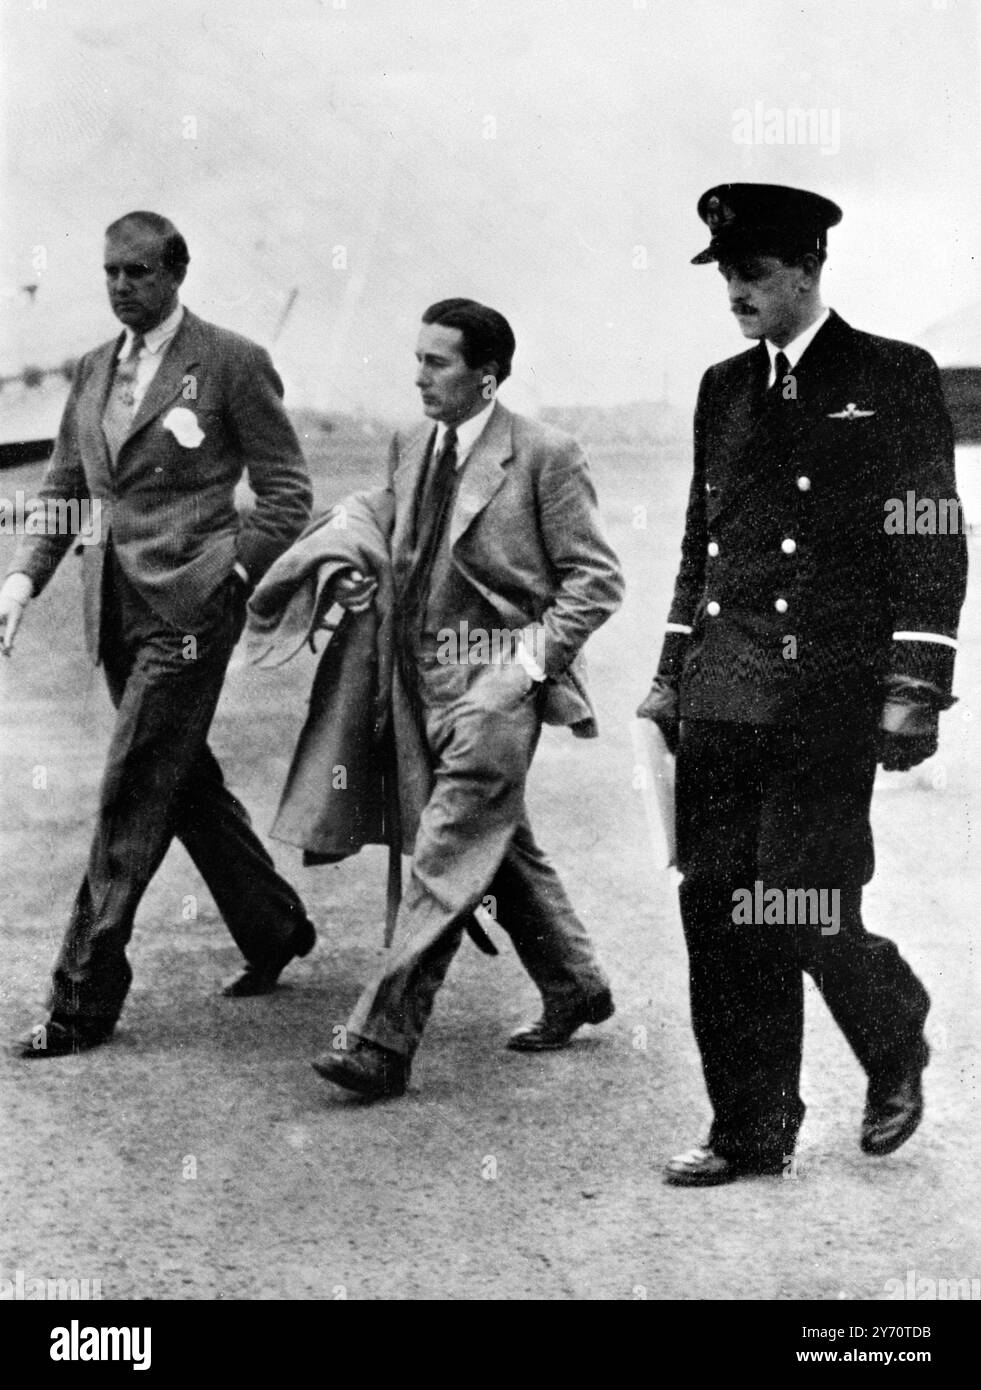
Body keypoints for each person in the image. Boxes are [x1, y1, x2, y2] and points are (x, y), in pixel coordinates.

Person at [637, 183, 968, 1185]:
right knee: (719, 905)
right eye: (726, 273)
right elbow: (704, 544)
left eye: (755, 273)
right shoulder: (721, 389)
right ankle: (750, 1128)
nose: (736, 291)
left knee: (805, 897)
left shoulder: (892, 376)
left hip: (829, 687)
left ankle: (892, 1027)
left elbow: (931, 531)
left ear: (809, 265)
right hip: (726, 689)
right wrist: (668, 674)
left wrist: (916, 678)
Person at [1, 211, 317, 1058]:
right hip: (115, 609)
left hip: (189, 611)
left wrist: (234, 574)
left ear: (177, 273)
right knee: (180, 780)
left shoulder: (231, 363)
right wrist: (23, 578)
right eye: (109, 272)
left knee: (134, 786)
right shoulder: (94, 369)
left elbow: (287, 492)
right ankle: (274, 926)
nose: (120, 287)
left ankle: (81, 998)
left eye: (138, 272)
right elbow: (68, 485)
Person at [311, 298, 624, 1099]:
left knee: (448, 857)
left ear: (487, 376)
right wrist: (349, 563)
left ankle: (380, 1041)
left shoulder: (546, 454)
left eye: (436, 362)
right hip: (415, 678)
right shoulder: (410, 442)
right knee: (495, 841)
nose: (418, 376)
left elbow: (595, 581)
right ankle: (575, 983)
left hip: (497, 686)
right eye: (416, 359)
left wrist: (522, 673)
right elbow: (401, 542)